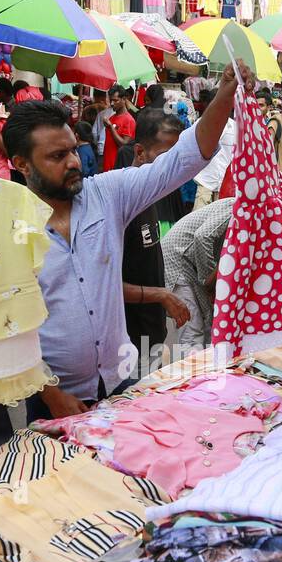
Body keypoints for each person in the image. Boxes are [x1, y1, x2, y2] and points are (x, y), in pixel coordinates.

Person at [1, 60, 247, 420]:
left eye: (72, 149)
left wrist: (225, 93)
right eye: (57, 156)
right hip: (56, 397)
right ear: (22, 164)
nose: (73, 162)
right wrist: (51, 394)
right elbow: (5, 324)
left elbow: (182, 160)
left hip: (122, 377)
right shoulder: (5, 227)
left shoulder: (105, 193)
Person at [121, 110, 193, 369]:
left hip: (152, 334)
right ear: (140, 152)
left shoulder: (159, 194)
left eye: (177, 158)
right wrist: (160, 295)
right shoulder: (119, 205)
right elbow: (103, 284)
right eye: (166, 158)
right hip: (125, 342)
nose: (173, 167)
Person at [162, 197, 235, 352]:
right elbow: (202, 237)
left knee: (210, 322)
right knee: (192, 330)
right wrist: (208, 282)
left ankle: (208, 372)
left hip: (192, 262)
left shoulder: (248, 216)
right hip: (178, 258)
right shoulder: (235, 208)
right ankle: (193, 374)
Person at [192, 90, 235, 210]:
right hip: (205, 181)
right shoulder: (200, 124)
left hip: (224, 184)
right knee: (198, 220)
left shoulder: (234, 127)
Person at [101, 85, 135, 173]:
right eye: (111, 100)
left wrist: (111, 127)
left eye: (115, 100)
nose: (112, 103)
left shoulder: (129, 120)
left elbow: (124, 144)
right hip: (107, 165)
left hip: (118, 168)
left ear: (123, 99)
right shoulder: (111, 118)